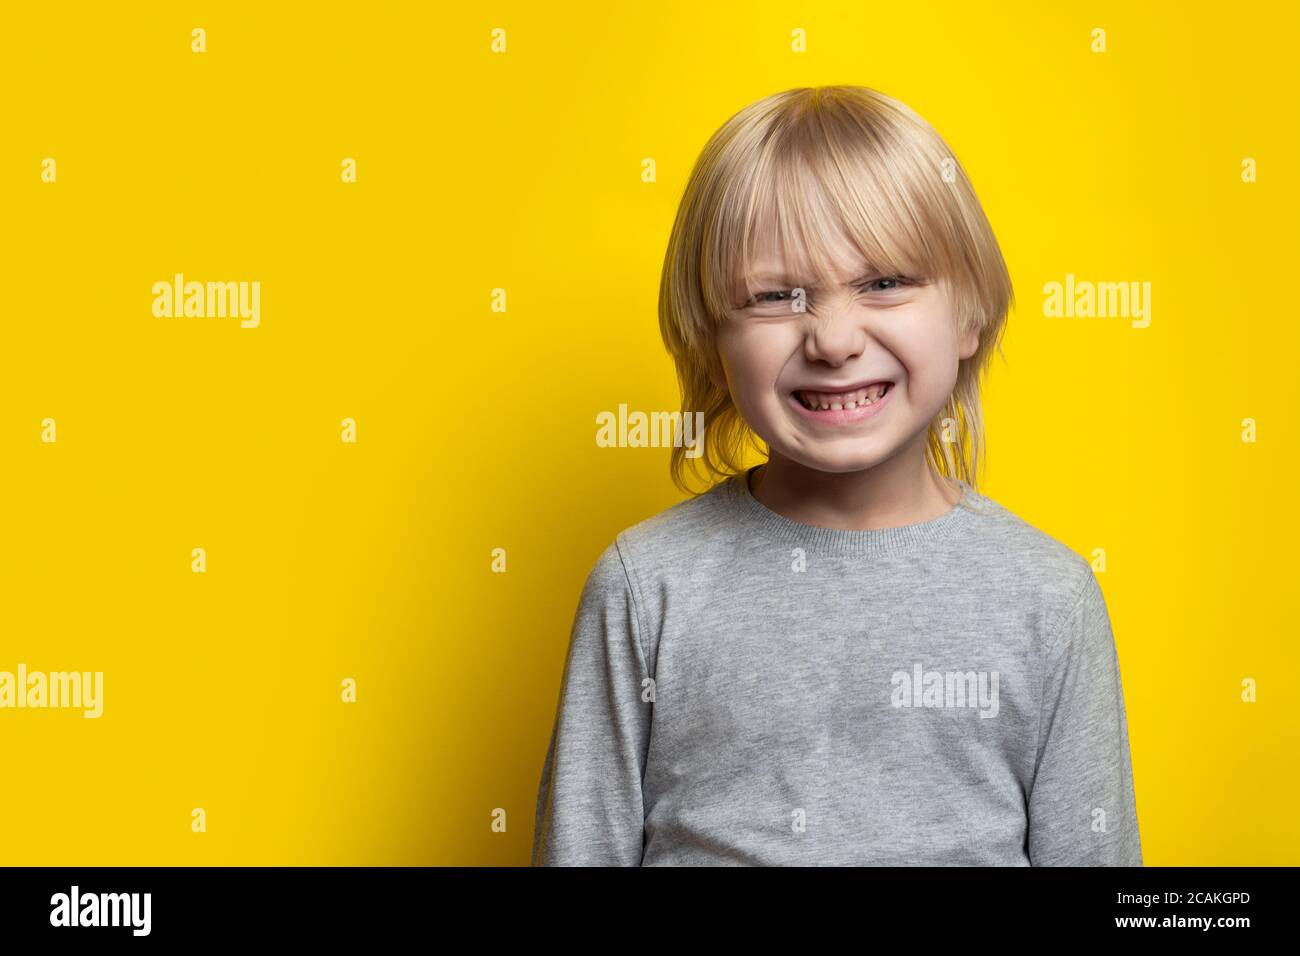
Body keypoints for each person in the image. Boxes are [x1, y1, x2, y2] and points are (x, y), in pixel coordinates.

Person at [531, 85, 1141, 866]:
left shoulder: (1049, 600)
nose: (834, 339)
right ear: (713, 341)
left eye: (884, 282)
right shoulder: (644, 588)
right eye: (775, 296)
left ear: (970, 314)